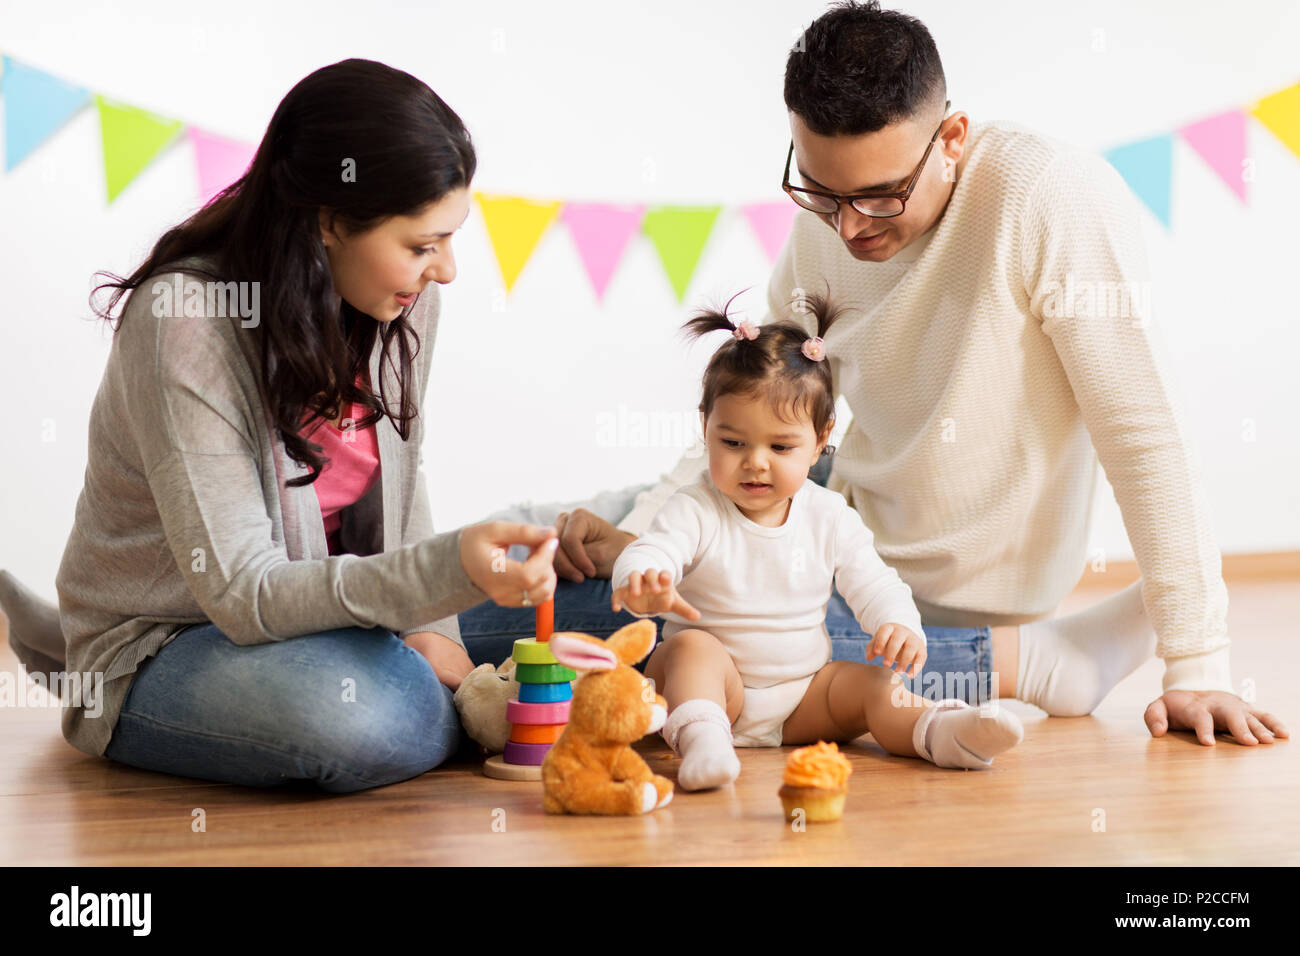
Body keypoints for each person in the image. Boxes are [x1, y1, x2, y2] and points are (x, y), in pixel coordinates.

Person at [459, 1, 1288, 750]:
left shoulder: (1048, 198)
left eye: (882, 196)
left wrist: (1198, 663)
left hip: (922, 580)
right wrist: (643, 538)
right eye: (823, 192)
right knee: (550, 541)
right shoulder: (828, 225)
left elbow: (1141, 430)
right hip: (820, 507)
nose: (850, 227)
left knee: (514, 627)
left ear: (952, 139)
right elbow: (760, 400)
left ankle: (1030, 660)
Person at [3, 58, 561, 793]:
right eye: (423, 244)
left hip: (340, 618)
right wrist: (444, 578)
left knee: (605, 599)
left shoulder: (404, 302)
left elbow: (402, 487)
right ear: (329, 221)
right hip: (176, 639)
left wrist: (435, 628)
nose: (448, 270)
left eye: (449, 239)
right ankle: (77, 667)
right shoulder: (188, 323)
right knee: (372, 719)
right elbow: (240, 593)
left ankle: (458, 689)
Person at [608, 294, 1024, 790]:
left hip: (804, 696)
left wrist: (897, 622)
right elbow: (652, 549)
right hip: (719, 691)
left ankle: (942, 732)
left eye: (780, 446)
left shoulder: (828, 515)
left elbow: (874, 581)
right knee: (689, 650)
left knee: (874, 685)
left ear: (821, 438)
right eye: (733, 442)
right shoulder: (696, 507)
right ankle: (703, 742)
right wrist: (641, 580)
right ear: (705, 428)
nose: (756, 462)